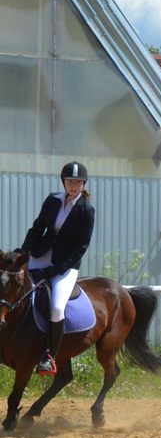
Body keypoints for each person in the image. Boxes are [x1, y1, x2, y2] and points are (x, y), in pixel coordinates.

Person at [18, 161, 96, 376]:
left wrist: (54, 271)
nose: (74, 186)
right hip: (41, 255)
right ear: (64, 182)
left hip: (66, 265)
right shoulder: (52, 200)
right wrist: (25, 252)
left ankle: (49, 356)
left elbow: (81, 247)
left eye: (78, 182)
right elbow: (38, 227)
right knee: (13, 285)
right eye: (70, 181)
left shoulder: (86, 210)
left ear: (83, 185)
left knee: (57, 308)